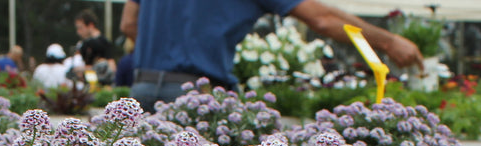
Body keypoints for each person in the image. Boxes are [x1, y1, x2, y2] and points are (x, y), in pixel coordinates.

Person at [130, 0, 423, 113]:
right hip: (196, 97)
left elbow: (128, 23)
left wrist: (168, 52)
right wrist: (388, 40)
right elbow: (322, 19)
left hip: (141, 89)